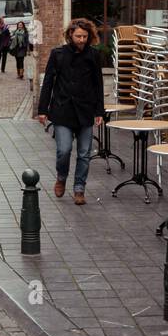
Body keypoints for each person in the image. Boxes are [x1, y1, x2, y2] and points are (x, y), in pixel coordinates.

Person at [38, 18, 104, 206]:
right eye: (78, 36)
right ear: (70, 35)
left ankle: (79, 189)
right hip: (63, 110)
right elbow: (48, 82)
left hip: (85, 111)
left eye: (84, 36)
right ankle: (61, 177)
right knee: (64, 150)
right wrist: (42, 110)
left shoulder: (93, 55)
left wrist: (99, 111)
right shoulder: (58, 54)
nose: (81, 40)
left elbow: (98, 84)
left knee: (84, 153)